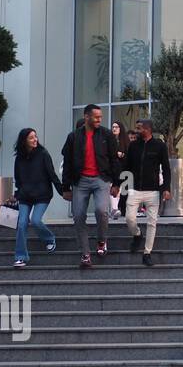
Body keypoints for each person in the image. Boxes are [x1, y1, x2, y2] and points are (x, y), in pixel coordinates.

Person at [60, 103, 120, 270]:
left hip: (101, 179)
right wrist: (65, 188)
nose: (100, 120)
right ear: (87, 117)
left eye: (101, 117)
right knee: (78, 215)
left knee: (101, 210)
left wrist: (116, 184)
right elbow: (67, 163)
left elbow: (115, 160)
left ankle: (101, 241)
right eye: (96, 117)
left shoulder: (106, 135)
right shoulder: (73, 137)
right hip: (81, 181)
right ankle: (85, 254)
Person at [12, 128, 63, 268]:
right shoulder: (19, 158)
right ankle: (20, 256)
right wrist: (17, 194)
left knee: (35, 220)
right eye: (31, 138)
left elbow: (52, 174)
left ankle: (49, 239)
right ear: (24, 141)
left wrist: (62, 191)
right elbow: (18, 179)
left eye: (35, 137)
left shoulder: (43, 154)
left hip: (42, 195)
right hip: (25, 196)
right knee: (21, 223)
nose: (35, 140)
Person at [123, 119, 172, 267]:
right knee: (129, 218)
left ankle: (147, 253)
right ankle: (137, 235)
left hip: (153, 191)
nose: (136, 130)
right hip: (135, 189)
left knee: (152, 223)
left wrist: (166, 188)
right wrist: (118, 184)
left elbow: (166, 168)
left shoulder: (160, 146)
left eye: (139, 128)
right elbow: (126, 166)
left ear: (147, 129)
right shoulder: (133, 146)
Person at [110, 121, 131, 219]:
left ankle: (121, 209)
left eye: (117, 127)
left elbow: (129, 155)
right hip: (112, 170)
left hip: (124, 170)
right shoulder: (109, 140)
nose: (114, 129)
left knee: (124, 192)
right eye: (113, 127)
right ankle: (114, 209)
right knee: (113, 189)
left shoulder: (125, 141)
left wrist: (122, 155)